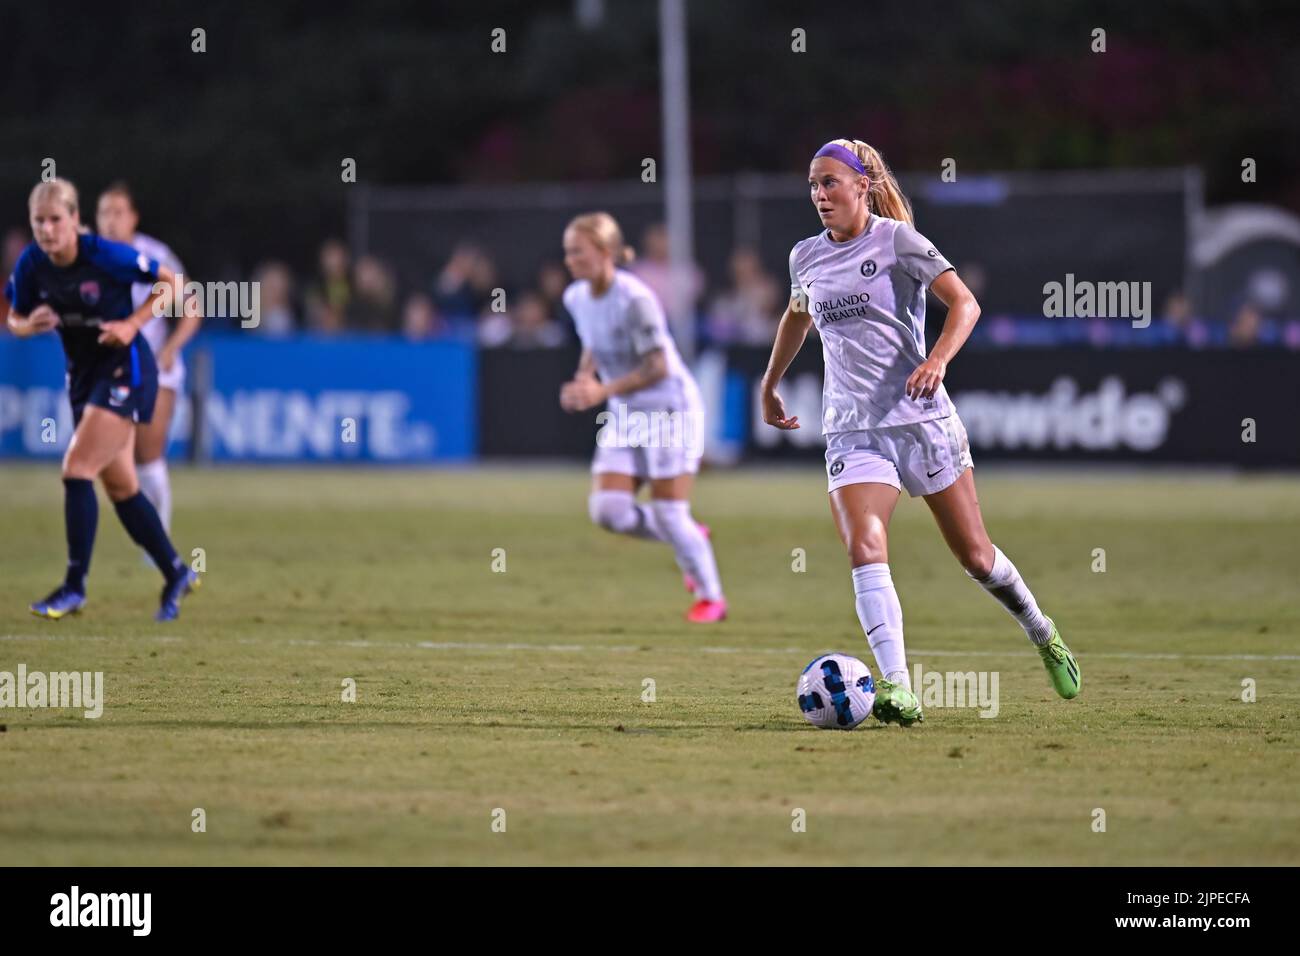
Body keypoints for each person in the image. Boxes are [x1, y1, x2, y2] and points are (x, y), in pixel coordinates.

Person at [761, 140, 1080, 724]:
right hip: (853, 430)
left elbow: (965, 305)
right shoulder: (804, 256)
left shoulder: (896, 242)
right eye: (812, 185)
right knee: (865, 545)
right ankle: (897, 687)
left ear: (863, 185)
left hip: (921, 421)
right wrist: (770, 383)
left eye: (830, 182)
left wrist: (936, 361)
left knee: (977, 558)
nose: (819, 195)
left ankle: (1042, 631)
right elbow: (797, 315)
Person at [5, 179, 199, 621]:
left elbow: (170, 285)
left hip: (126, 368)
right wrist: (26, 325)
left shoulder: (106, 255)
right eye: (40, 221)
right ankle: (176, 572)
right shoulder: (33, 264)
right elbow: (13, 315)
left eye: (57, 219)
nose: (48, 229)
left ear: (76, 220)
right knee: (122, 488)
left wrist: (132, 324)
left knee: (77, 469)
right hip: (84, 378)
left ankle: (74, 587)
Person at [559, 212, 726, 622]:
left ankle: (710, 596)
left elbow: (659, 367)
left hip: (669, 408)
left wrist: (602, 390)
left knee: (669, 510)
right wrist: (584, 378)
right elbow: (592, 341)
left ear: (603, 252)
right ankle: (689, 536)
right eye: (567, 252)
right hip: (626, 411)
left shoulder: (636, 299)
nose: (570, 260)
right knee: (608, 511)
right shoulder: (576, 297)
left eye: (577, 251)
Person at [96, 182, 202, 539]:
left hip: (153, 365)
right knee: (107, 463)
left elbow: (192, 308)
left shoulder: (155, 256)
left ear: (134, 218)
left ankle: (159, 538)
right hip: (107, 369)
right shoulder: (87, 258)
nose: (111, 221)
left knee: (147, 452)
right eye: (104, 213)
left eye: (118, 212)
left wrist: (171, 348)